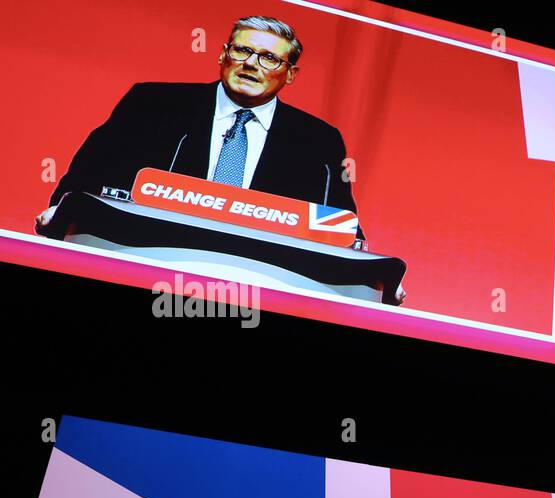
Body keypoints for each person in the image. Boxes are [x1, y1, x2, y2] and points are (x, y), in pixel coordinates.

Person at [35, 16, 406, 304]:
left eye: (269, 58)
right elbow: (88, 172)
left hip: (255, 295)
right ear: (222, 55)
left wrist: (371, 273)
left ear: (291, 74)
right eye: (241, 51)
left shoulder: (318, 140)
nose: (251, 65)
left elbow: (340, 223)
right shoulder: (153, 104)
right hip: (143, 271)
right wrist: (59, 209)